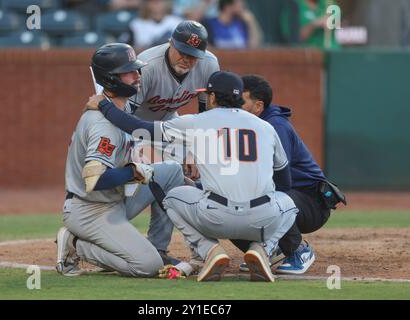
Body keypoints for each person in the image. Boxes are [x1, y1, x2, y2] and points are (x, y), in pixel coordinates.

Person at [85, 71, 299, 282]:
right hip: (261, 219)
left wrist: (104, 105)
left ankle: (210, 251)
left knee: (172, 197)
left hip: (215, 218)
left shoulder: (197, 122)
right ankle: (263, 249)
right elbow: (285, 182)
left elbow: (139, 128)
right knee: (289, 203)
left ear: (213, 97)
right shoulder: (266, 127)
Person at [55, 43, 184, 277]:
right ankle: (76, 244)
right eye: (130, 72)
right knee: (148, 267)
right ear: (112, 79)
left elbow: (145, 130)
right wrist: (133, 172)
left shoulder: (120, 110)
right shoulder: (103, 125)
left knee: (171, 172)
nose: (137, 76)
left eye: (137, 70)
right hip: (90, 208)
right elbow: (94, 179)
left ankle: (158, 247)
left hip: (115, 199)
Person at [234, 74, 346, 274]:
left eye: (240, 100)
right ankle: (271, 250)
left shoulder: (275, 126)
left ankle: (298, 250)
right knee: (228, 203)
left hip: (311, 202)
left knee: (259, 196)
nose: (234, 104)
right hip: (287, 195)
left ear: (258, 106)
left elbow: (273, 174)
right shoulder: (244, 125)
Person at [127, 20, 220, 121]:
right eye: (182, 52)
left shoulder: (209, 64)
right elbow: (127, 111)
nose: (186, 59)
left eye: (193, 56)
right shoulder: (146, 65)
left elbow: (207, 112)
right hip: (136, 122)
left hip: (169, 122)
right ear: (171, 43)